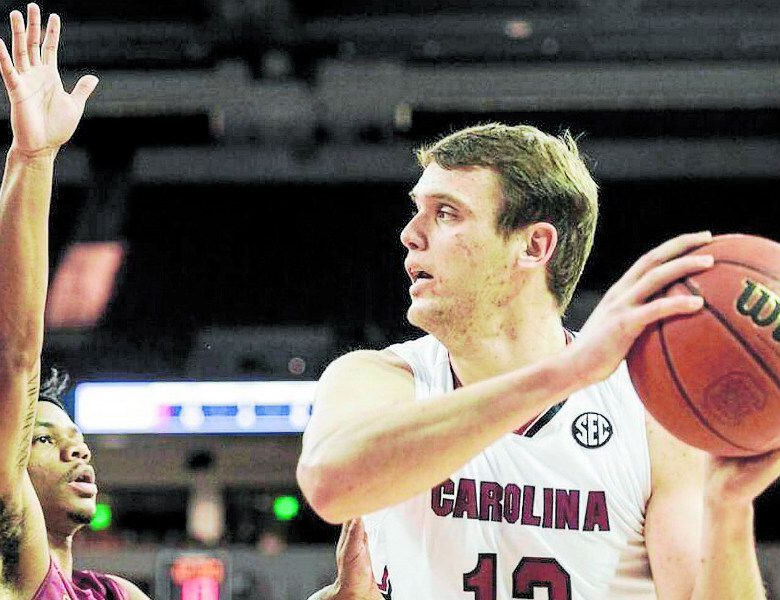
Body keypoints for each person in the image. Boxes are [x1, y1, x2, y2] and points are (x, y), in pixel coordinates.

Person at [0, 5, 370, 599]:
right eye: (43, 439)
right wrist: (32, 159)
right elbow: (8, 354)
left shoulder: (117, 593)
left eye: (71, 433)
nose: (78, 446)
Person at [298, 123, 780, 599]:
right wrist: (567, 373)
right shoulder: (379, 379)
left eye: (446, 213)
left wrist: (728, 507)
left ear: (534, 246)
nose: (410, 234)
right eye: (417, 211)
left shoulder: (650, 417)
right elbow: (329, 484)